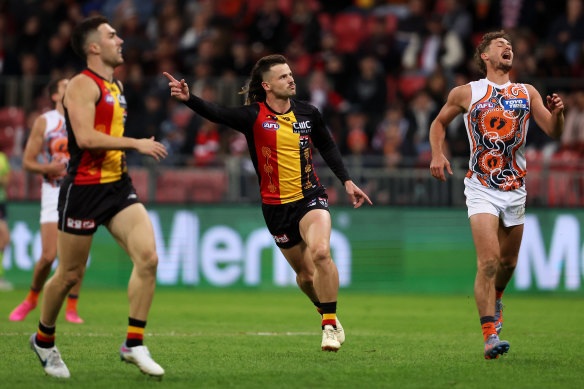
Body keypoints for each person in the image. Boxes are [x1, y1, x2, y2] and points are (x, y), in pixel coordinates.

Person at [164, 54, 372, 352]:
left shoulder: (309, 113)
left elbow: (326, 145)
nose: (291, 79)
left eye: (290, 74)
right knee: (304, 276)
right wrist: (189, 99)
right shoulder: (253, 116)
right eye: (283, 76)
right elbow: (217, 113)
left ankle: (328, 326)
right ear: (267, 86)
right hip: (276, 208)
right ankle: (327, 313)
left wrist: (347, 181)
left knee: (322, 252)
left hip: (310, 196)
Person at [30, 16, 167, 378]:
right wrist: (135, 143)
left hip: (118, 186)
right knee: (70, 274)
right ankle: (44, 340)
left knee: (149, 258)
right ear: (94, 47)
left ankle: (134, 343)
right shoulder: (80, 84)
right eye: (112, 35)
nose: (120, 40)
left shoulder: (116, 85)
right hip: (84, 189)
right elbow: (86, 138)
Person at [429, 31, 564, 360]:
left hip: (515, 188)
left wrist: (558, 113)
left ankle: (497, 297)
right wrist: (437, 153)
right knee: (487, 262)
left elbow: (553, 131)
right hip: (480, 187)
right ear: (485, 56)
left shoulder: (526, 92)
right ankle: (490, 335)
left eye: (511, 46)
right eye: (500, 45)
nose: (509, 48)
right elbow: (438, 122)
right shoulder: (466, 92)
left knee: (508, 262)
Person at [10, 78, 86, 323]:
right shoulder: (46, 122)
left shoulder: (83, 118)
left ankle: (72, 308)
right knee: (48, 255)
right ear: (55, 95)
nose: (70, 89)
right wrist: (47, 167)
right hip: (53, 191)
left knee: (78, 257)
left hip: (80, 190)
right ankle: (31, 298)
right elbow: (27, 161)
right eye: (65, 86)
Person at [0, 150, 12, 291]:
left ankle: (1, 276)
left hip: (2, 202)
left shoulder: (2, 157)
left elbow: (7, 181)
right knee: (4, 236)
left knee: (5, 239)